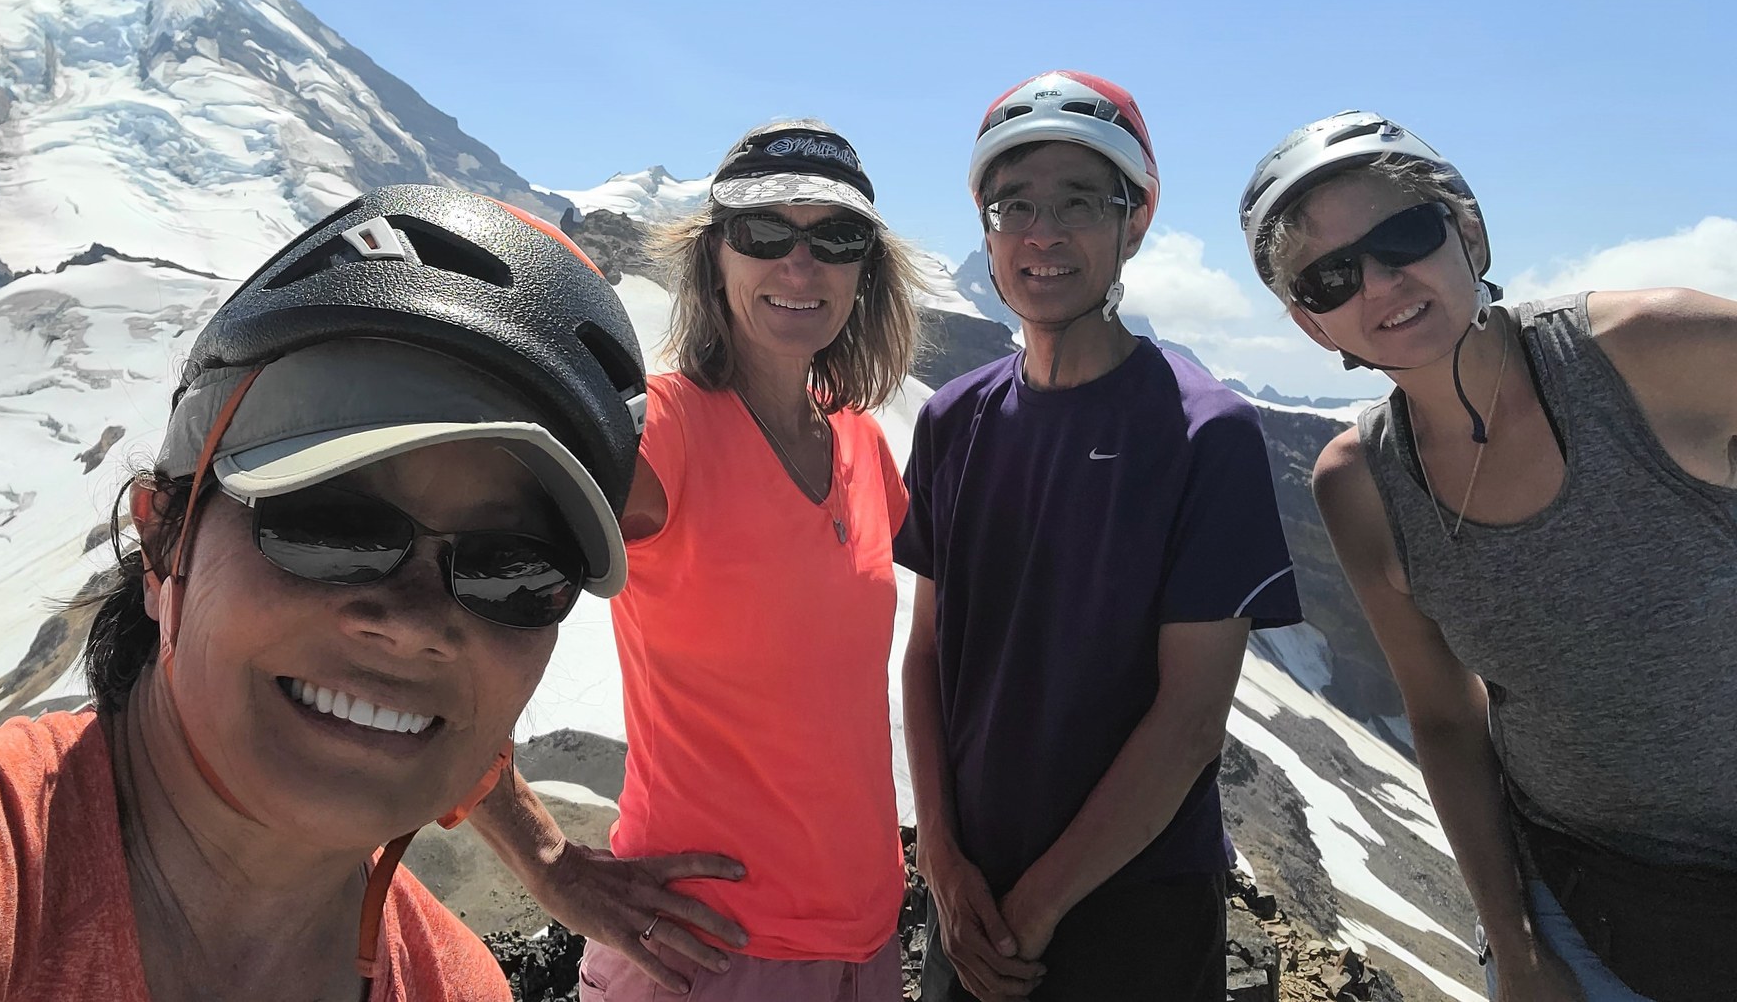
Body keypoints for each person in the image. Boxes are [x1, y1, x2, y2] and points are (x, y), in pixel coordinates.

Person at [0, 184, 651, 1002]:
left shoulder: (456, 983)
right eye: (329, 525)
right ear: (164, 535)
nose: (414, 624)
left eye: (514, 571)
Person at [1240, 111, 1737, 1002]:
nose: (1382, 282)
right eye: (1330, 276)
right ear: (1312, 326)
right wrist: (1514, 946)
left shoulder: (1655, 351)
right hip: (1588, 913)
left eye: (1403, 235)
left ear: (1467, 229)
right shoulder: (1360, 485)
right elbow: (1442, 717)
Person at [468, 119, 926, 1001]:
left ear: (865, 268)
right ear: (716, 256)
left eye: (835, 237)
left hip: (866, 946)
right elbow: (460, 600)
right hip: (704, 957)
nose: (801, 266)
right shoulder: (666, 432)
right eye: (764, 233)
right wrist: (547, 860)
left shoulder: (863, 445)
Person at [898, 71, 1303, 1002]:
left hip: (1137, 912)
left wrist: (1034, 904)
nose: (1042, 233)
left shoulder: (1208, 433)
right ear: (987, 229)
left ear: (1137, 218)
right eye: (1014, 205)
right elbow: (926, 655)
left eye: (1079, 200)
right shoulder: (953, 420)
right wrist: (947, 869)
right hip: (972, 901)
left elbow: (1191, 719)